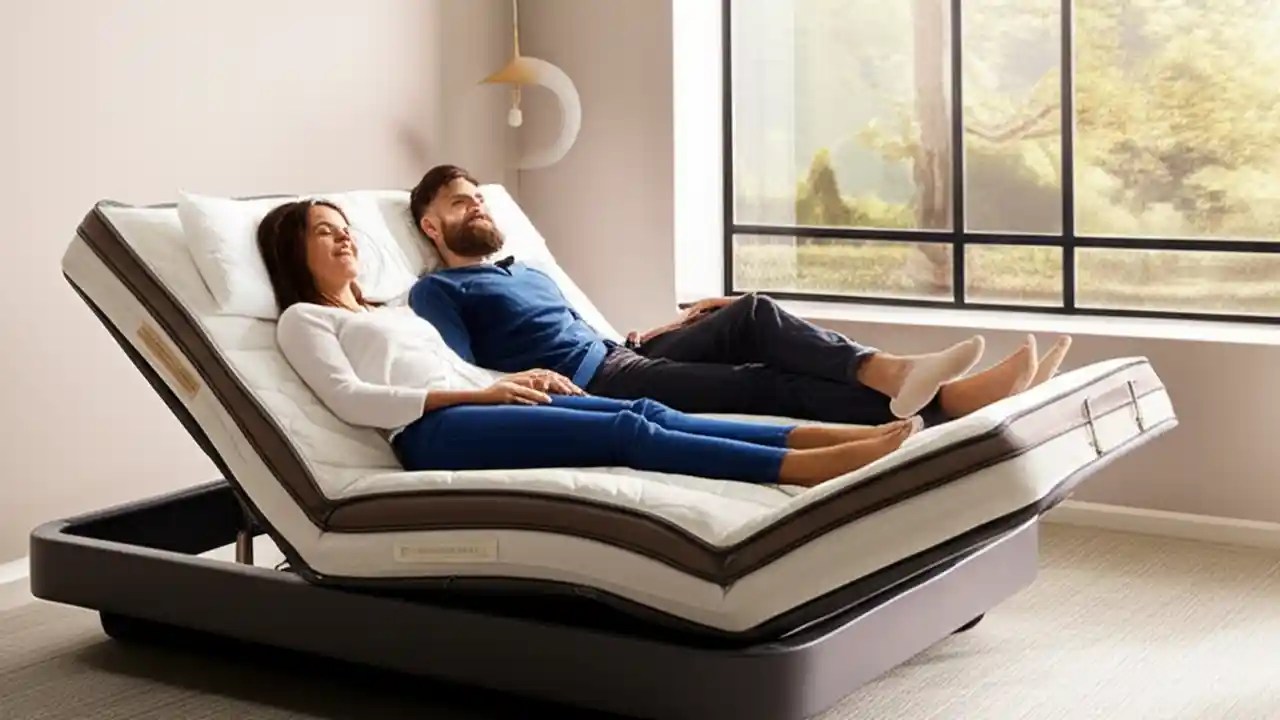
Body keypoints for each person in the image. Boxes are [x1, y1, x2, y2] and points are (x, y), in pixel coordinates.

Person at [256, 197, 927, 489]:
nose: (344, 237)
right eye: (324, 231)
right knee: (628, 433)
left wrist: (516, 381)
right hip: (433, 434)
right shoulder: (304, 320)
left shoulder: (391, 309)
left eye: (344, 227)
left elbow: (452, 363)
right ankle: (805, 468)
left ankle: (829, 440)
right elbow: (351, 398)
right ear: (293, 251)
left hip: (477, 404)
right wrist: (477, 395)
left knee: (649, 412)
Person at [404, 164, 1074, 428]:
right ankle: (943, 400)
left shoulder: (527, 271)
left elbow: (588, 331)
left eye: (480, 197)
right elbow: (461, 374)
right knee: (762, 381)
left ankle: (905, 378)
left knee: (747, 309)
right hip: (592, 384)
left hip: (622, 352)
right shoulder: (438, 291)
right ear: (432, 227)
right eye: (461, 202)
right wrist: (531, 386)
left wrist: (664, 330)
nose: (478, 206)